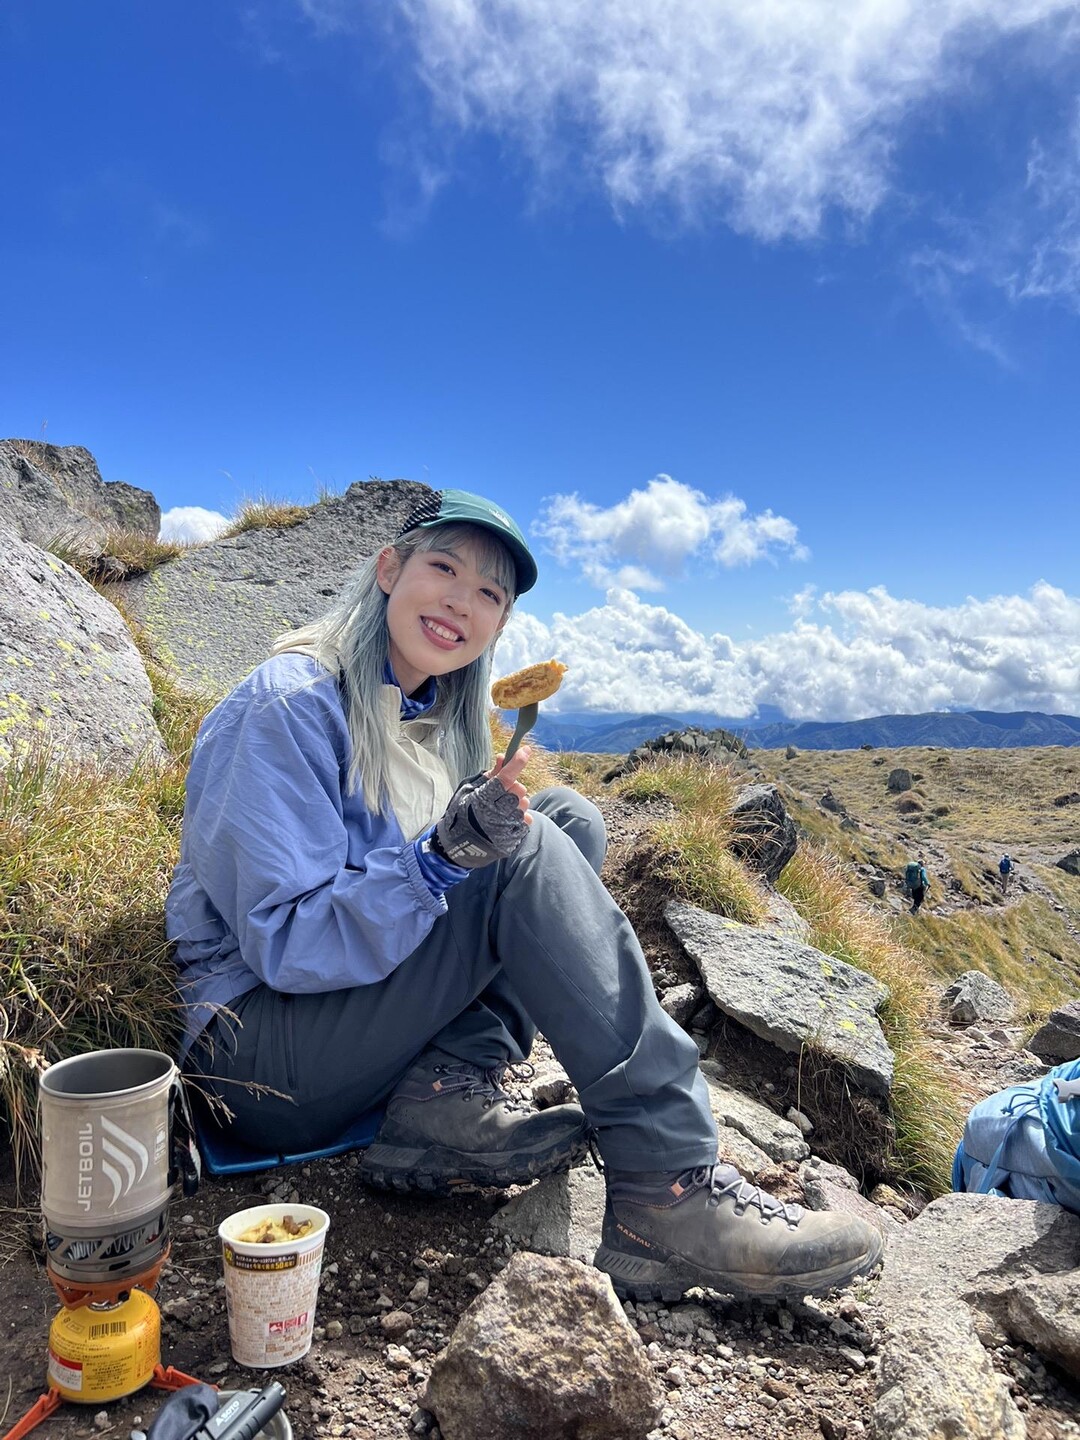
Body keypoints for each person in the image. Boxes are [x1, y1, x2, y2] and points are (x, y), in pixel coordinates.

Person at [167, 488, 882, 1303]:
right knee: (516, 850)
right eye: (443, 568)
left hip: (341, 1025)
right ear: (389, 569)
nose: (460, 603)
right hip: (257, 1056)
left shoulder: (427, 712)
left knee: (564, 818)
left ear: (499, 626)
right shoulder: (289, 705)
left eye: (489, 594)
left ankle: (439, 1098)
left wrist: (458, 845)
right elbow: (287, 944)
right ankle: (667, 1185)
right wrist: (442, 859)